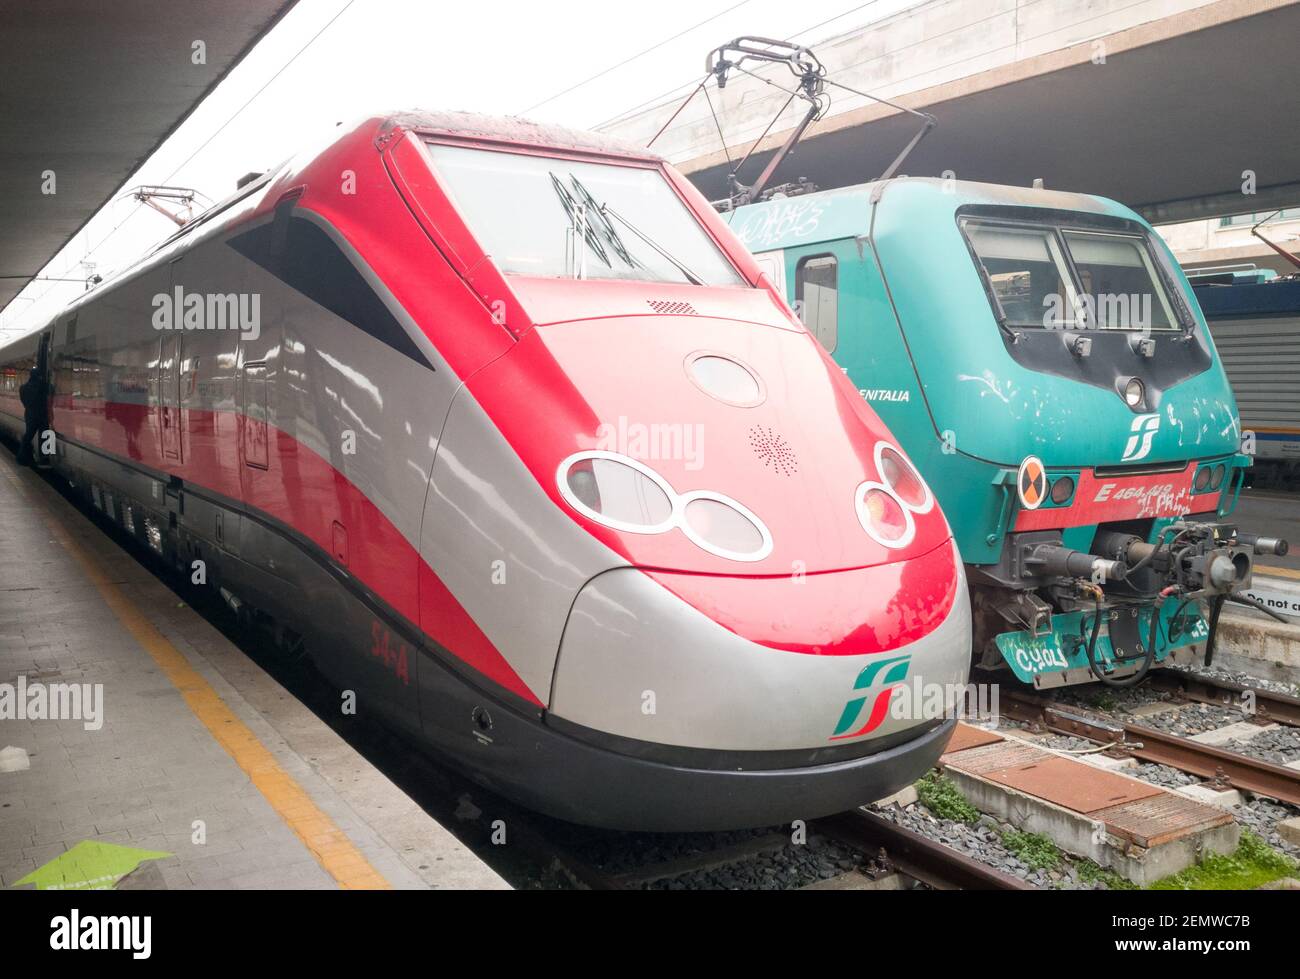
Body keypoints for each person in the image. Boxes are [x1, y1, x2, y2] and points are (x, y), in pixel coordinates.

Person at [17, 368, 49, 466]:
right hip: (42, 415)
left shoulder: (23, 388)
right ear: (39, 376)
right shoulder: (43, 386)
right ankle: (44, 457)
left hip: (29, 414)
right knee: (44, 436)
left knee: (28, 436)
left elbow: (23, 401)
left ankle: (22, 457)